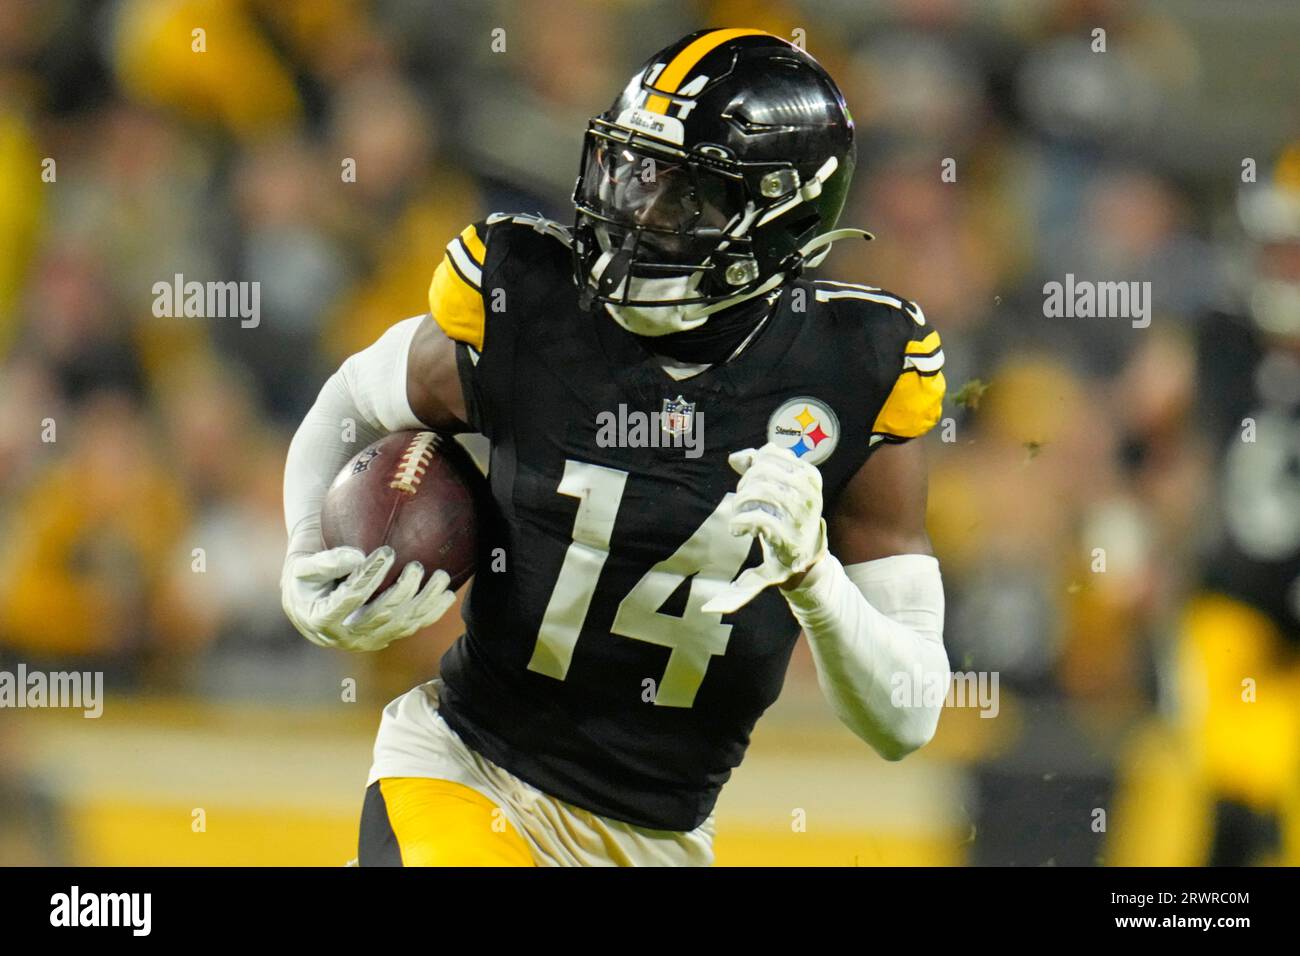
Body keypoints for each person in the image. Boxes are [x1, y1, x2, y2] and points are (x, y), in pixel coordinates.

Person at [281, 28, 950, 866]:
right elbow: (350, 399)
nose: (636, 213)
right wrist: (306, 548)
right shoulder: (530, 305)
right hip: (469, 769)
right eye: (633, 171)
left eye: (686, 195)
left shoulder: (856, 368)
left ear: (781, 222)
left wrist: (817, 580)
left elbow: (906, 718)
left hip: (657, 838)